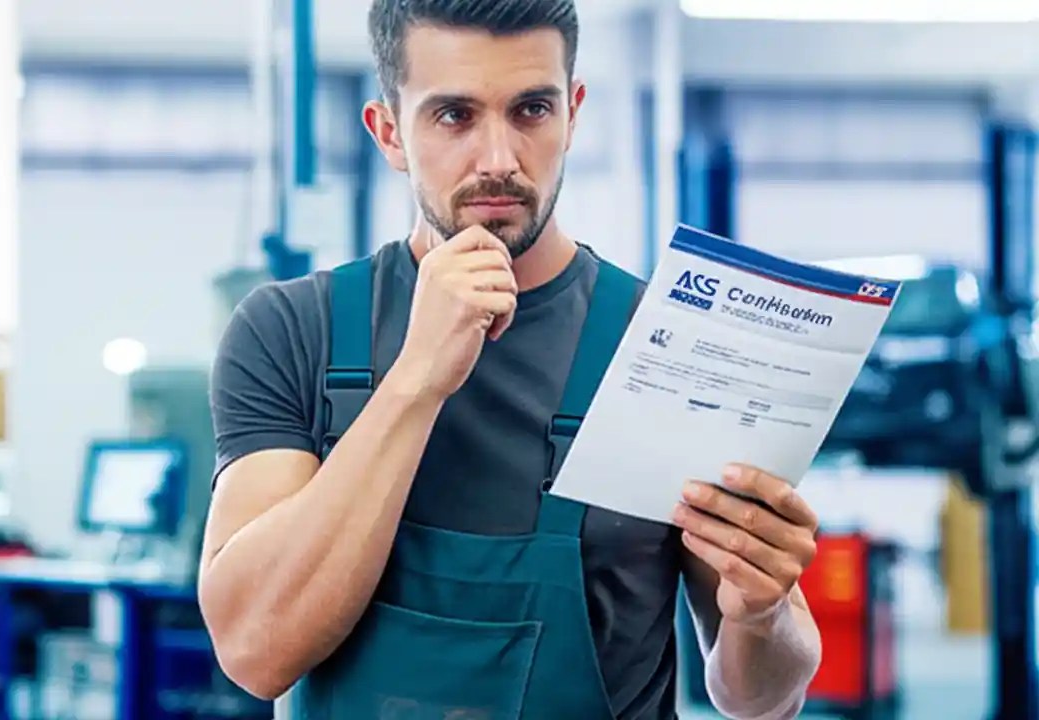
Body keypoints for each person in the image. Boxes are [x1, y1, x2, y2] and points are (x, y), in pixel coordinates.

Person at [199, 0, 823, 717]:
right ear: (390, 132)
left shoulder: (670, 345)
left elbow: (761, 702)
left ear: (572, 114)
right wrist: (416, 380)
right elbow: (254, 651)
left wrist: (762, 616)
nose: (498, 160)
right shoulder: (291, 331)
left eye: (531, 110)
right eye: (454, 116)